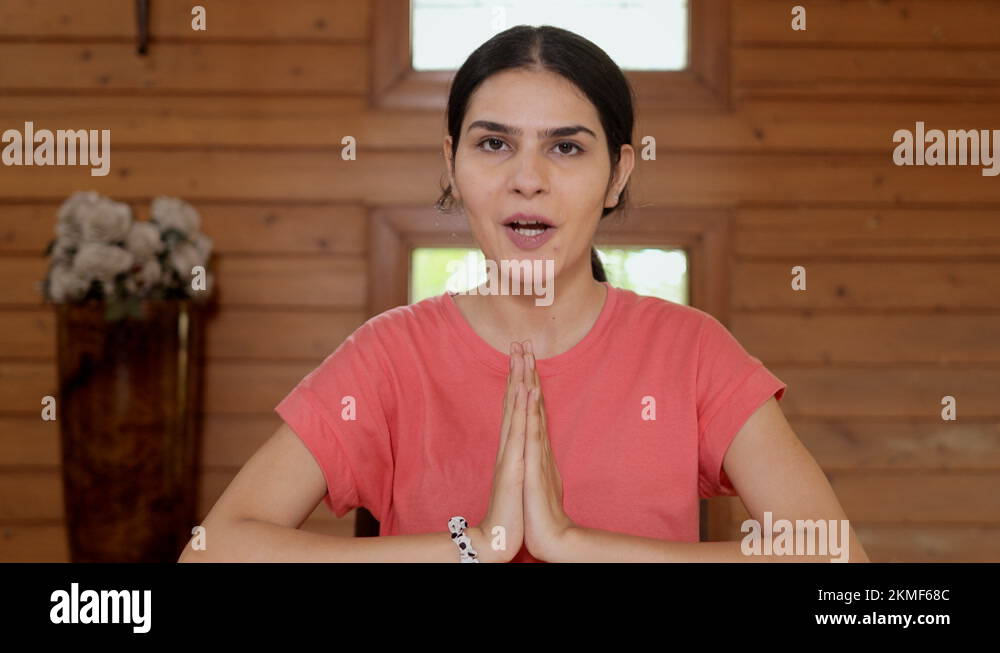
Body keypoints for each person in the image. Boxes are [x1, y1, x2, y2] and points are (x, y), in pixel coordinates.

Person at [179, 25, 869, 563]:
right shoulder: (389, 356)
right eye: (494, 144)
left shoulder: (691, 351)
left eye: (566, 147)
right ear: (451, 165)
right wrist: (475, 545)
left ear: (618, 174)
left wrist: (573, 542)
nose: (528, 179)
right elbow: (214, 550)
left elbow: (837, 561)